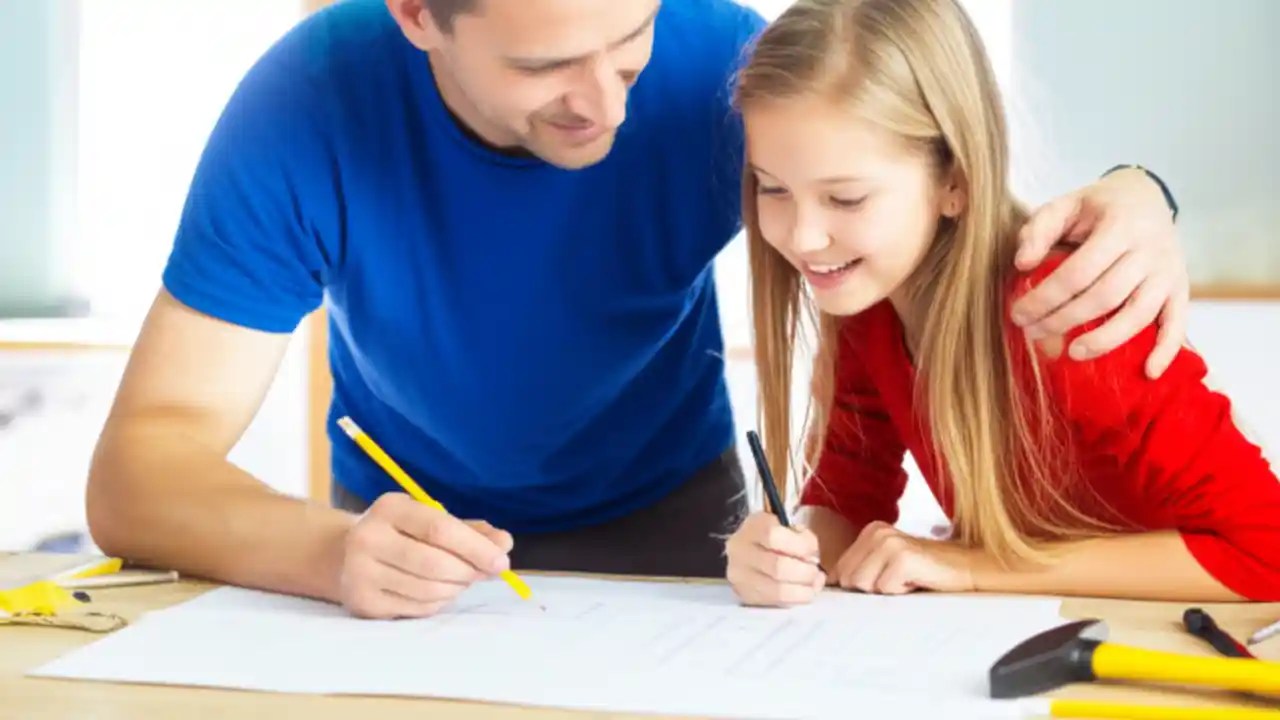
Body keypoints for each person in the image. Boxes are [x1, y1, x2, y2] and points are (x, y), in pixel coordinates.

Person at [87, 0, 1188, 620]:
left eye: (630, 40)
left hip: (677, 524)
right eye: (548, 66)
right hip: (405, 545)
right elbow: (143, 468)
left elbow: (928, 199)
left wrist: (1142, 190)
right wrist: (325, 555)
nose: (608, 105)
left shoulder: (720, 65)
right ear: (419, 14)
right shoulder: (304, 111)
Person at [725, 0, 1280, 607]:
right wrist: (788, 552)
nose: (803, 238)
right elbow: (848, 501)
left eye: (848, 199)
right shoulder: (870, 303)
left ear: (955, 182)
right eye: (772, 187)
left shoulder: (1062, 309)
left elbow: (1265, 549)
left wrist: (976, 566)